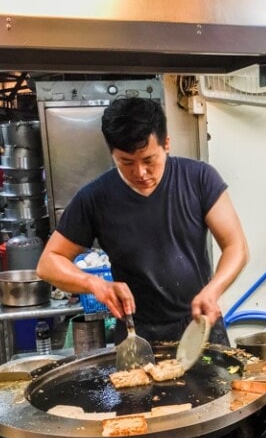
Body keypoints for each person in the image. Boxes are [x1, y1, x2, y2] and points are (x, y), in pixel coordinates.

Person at [36, 96, 249, 345]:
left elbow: (237, 247)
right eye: (126, 162)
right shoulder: (94, 198)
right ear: (112, 154)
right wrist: (95, 284)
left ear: (166, 144)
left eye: (149, 160)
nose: (140, 173)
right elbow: (48, 264)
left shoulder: (199, 179)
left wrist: (213, 290)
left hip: (200, 326)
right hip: (136, 334)